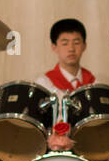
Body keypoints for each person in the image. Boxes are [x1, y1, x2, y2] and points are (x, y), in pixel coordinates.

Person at [35, 19, 97, 153]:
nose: (71, 48)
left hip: (88, 150)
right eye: (64, 43)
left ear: (84, 46)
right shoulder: (44, 83)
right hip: (51, 151)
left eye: (76, 42)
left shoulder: (93, 84)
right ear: (54, 47)